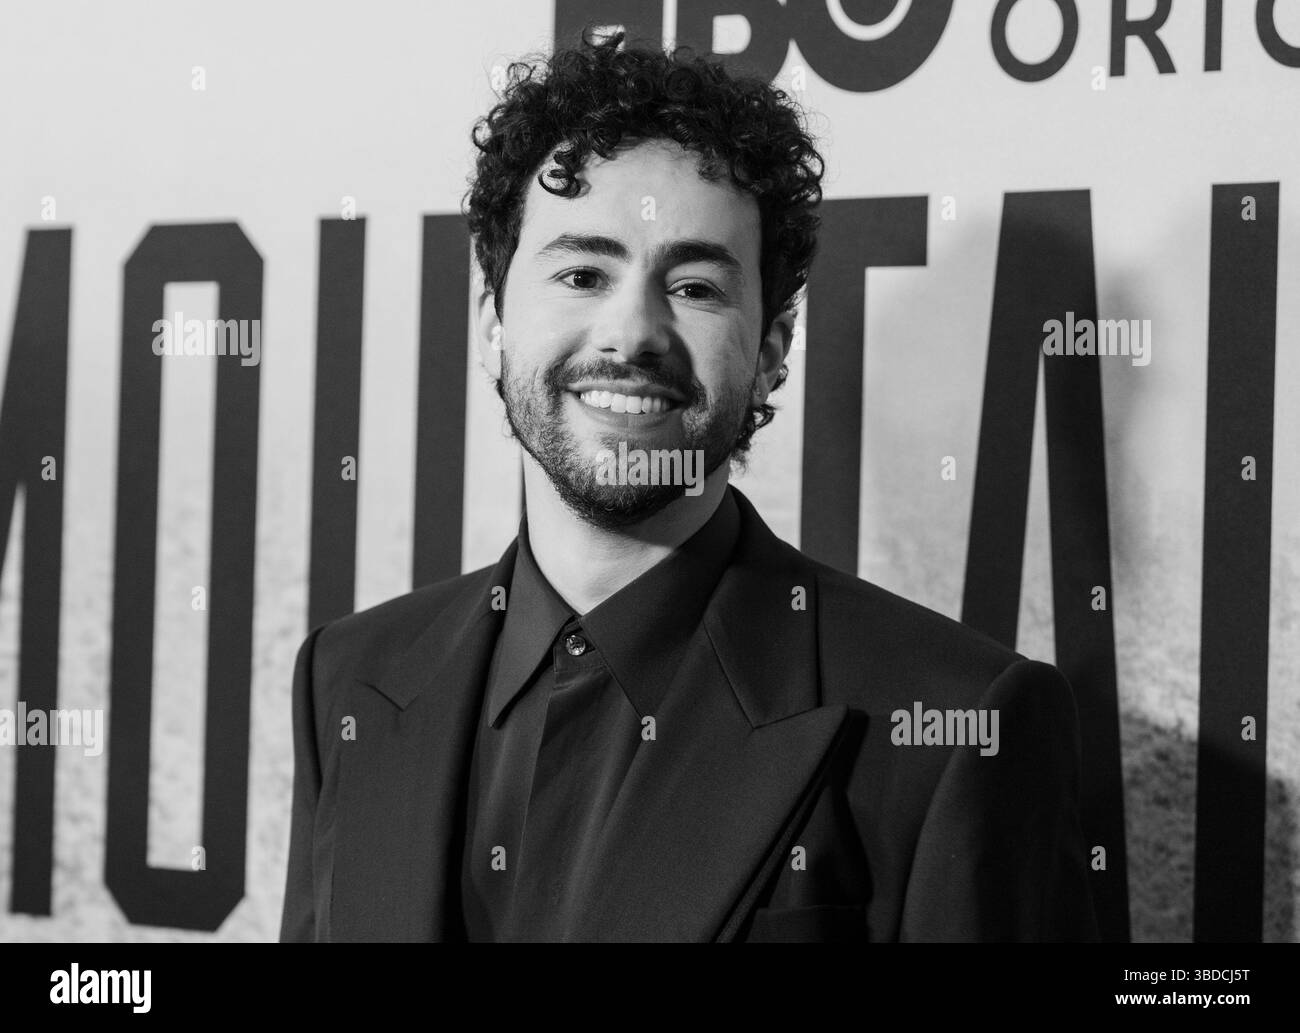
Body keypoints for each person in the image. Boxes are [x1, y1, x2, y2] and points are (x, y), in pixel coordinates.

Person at [279, 28, 1099, 943]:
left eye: (697, 286)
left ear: (774, 350)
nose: (631, 333)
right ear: (492, 322)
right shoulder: (348, 681)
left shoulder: (958, 727)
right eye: (582, 272)